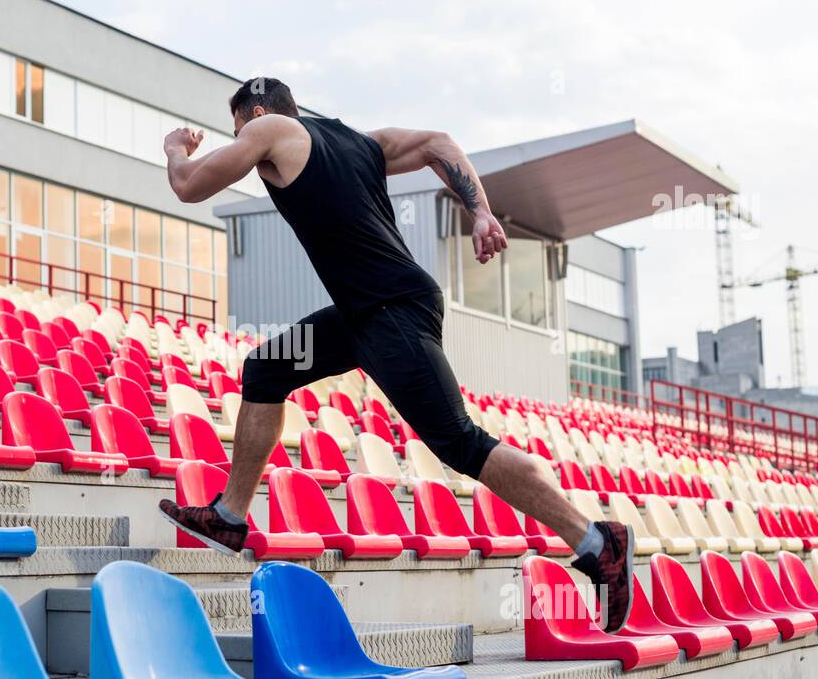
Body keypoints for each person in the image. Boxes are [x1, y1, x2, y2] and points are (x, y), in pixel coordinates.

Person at [156, 77, 634, 633]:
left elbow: (188, 187)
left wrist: (175, 148)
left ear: (257, 113)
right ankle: (229, 517)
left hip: (389, 311)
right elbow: (439, 143)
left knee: (460, 441)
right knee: (266, 370)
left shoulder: (269, 129)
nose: (243, 143)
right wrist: (479, 211)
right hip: (366, 314)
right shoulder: (360, 141)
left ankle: (596, 540)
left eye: (239, 131)